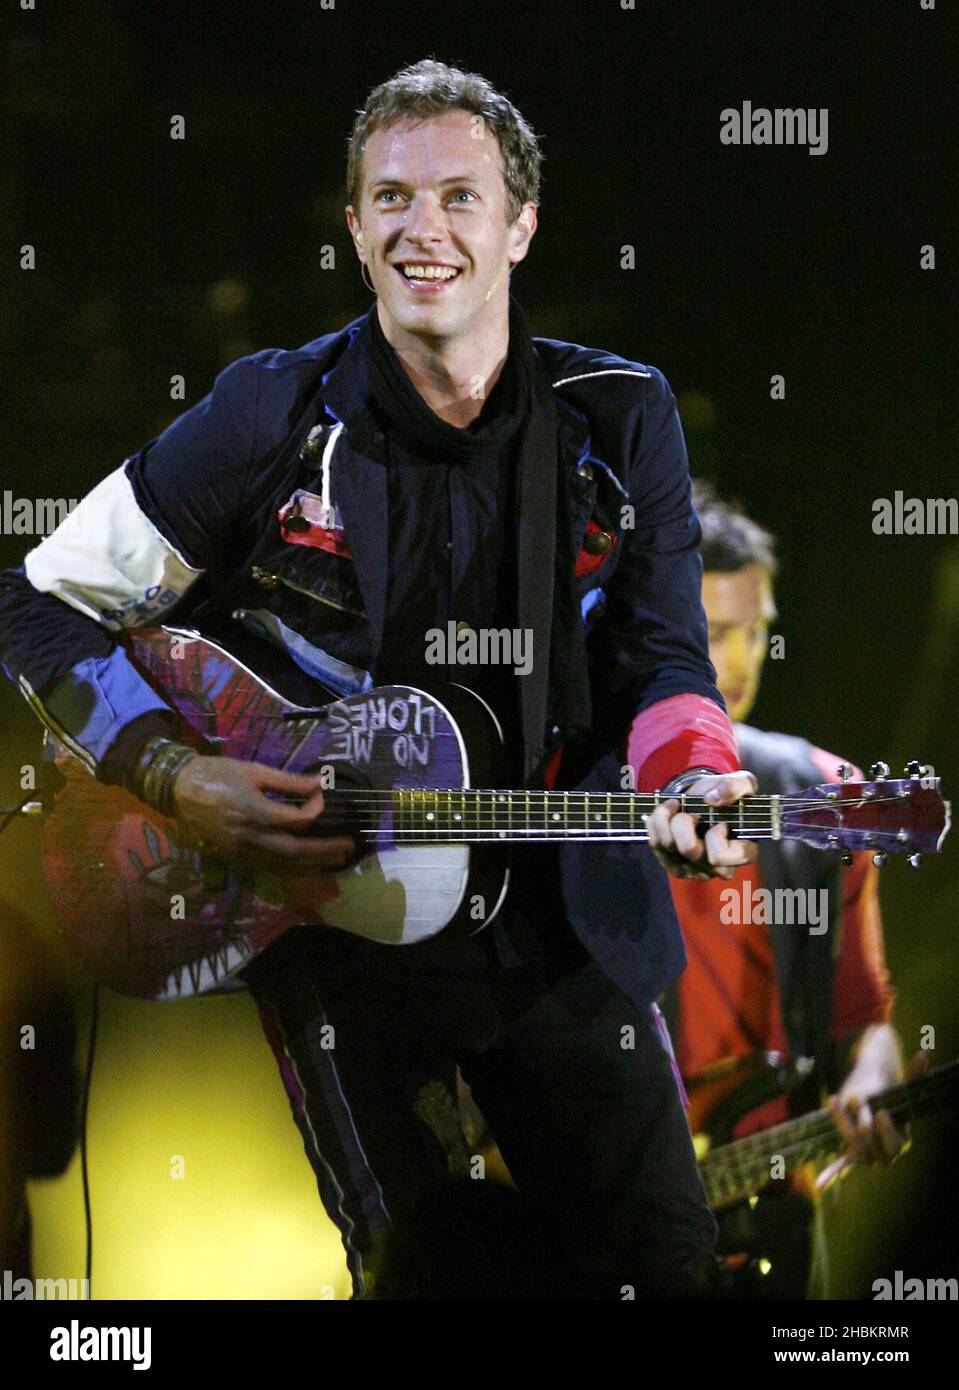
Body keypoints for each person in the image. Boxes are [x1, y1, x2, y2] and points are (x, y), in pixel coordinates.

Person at [0, 59, 758, 1299]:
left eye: (460, 198)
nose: (424, 228)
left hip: (565, 931)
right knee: (424, 1283)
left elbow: (665, 658)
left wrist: (693, 776)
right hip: (338, 940)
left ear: (520, 224)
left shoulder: (619, 417)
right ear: (352, 227)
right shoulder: (269, 411)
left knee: (663, 1272)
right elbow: (36, 598)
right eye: (390, 198)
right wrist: (176, 773)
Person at [663, 481, 919, 1297]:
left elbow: (862, 1019)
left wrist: (873, 1078)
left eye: (755, 630)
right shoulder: (582, 802)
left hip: (771, 1214)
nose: (739, 661)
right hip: (615, 1219)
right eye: (712, 633)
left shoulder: (825, 796)